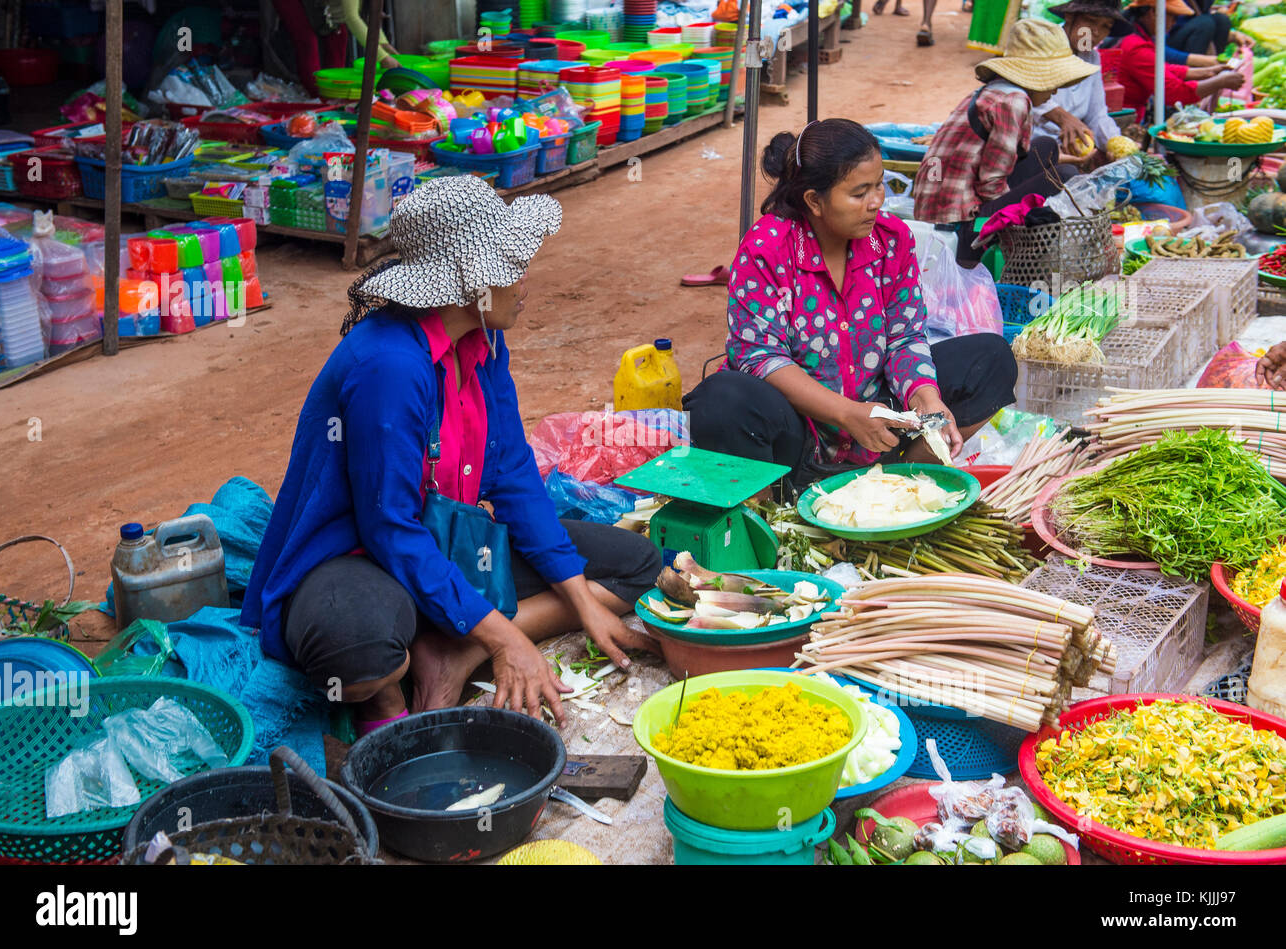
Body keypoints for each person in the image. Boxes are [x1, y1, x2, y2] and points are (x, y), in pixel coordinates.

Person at [241, 176, 661, 733]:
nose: (524, 280)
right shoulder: (389, 366)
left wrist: (585, 609)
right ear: (471, 284)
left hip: (444, 540)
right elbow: (388, 527)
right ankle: (387, 706)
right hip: (360, 557)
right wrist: (506, 636)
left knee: (635, 564)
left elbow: (512, 474)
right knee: (359, 647)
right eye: (512, 266)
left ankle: (454, 653)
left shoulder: (484, 339)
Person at [682, 119, 1017, 493]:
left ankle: (892, 489)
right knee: (722, 399)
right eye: (859, 193)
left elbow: (905, 336)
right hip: (799, 432)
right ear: (814, 201)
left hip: (880, 421)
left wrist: (925, 396)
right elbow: (760, 356)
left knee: (991, 358)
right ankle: (778, 506)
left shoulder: (889, 241)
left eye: (879, 186)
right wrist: (848, 413)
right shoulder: (769, 248)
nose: (876, 202)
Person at [913, 18, 1099, 266]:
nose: (1055, 92)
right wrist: (1013, 222)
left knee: (1047, 147)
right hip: (959, 223)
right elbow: (991, 183)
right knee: (1065, 176)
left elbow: (999, 158)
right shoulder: (1013, 103)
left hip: (946, 202)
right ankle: (983, 247)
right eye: (1054, 84)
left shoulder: (1000, 91)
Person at [1032, 0, 1130, 167]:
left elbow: (1097, 114)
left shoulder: (1092, 58)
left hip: (1071, 151)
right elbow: (1025, 94)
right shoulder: (1039, 46)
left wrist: (1115, 141)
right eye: (1091, 21)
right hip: (1032, 147)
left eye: (1106, 26)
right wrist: (1063, 118)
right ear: (1070, 16)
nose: (1096, 32)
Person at [1117, 0, 1245, 115]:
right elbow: (1174, 93)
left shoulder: (1139, 38)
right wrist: (1219, 82)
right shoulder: (1136, 47)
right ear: (1153, 12)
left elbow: (1162, 69)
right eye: (1173, 17)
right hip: (1129, 116)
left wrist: (1210, 71)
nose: (1174, 23)